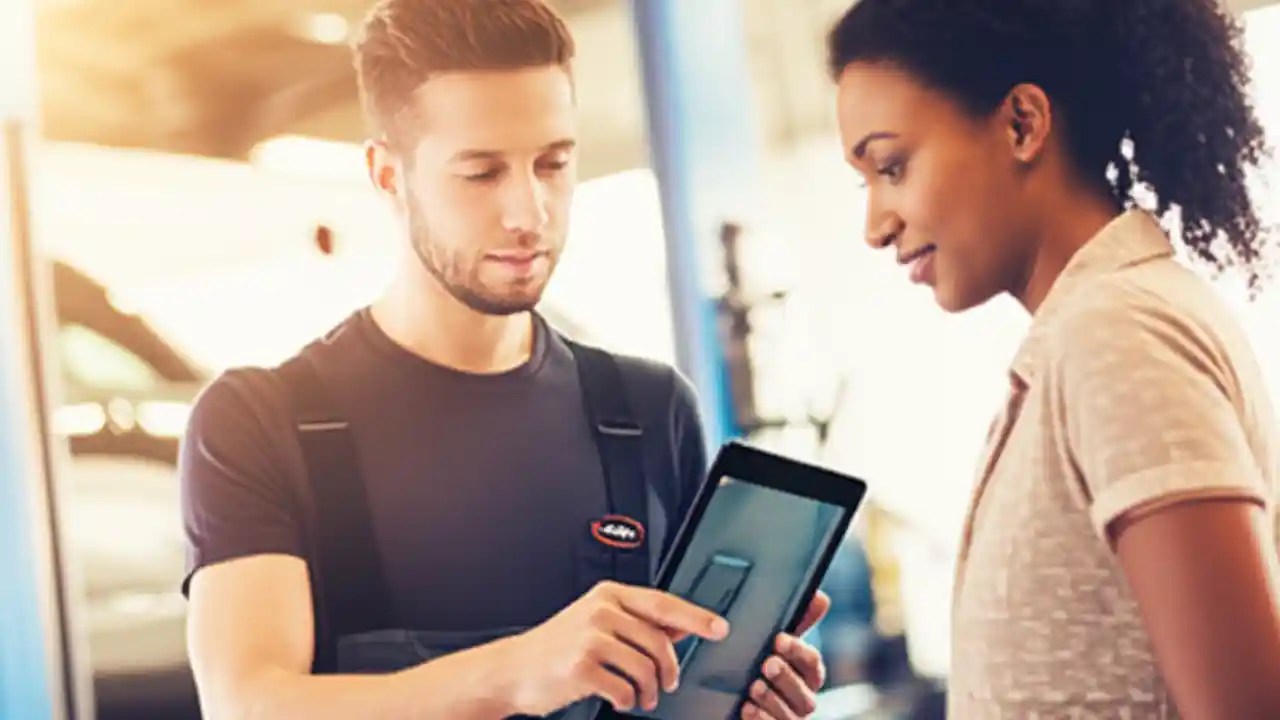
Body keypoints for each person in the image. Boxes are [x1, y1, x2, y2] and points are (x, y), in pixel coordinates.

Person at [179, 1, 830, 719]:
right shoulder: (260, 423)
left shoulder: (648, 412)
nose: (530, 212)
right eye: (482, 173)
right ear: (388, 176)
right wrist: (520, 670)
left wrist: (731, 696)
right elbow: (249, 704)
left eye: (553, 163)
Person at [826, 1, 1280, 718]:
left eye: (893, 166)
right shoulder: (1088, 334)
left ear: (1022, 124)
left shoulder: (1115, 334)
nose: (876, 226)